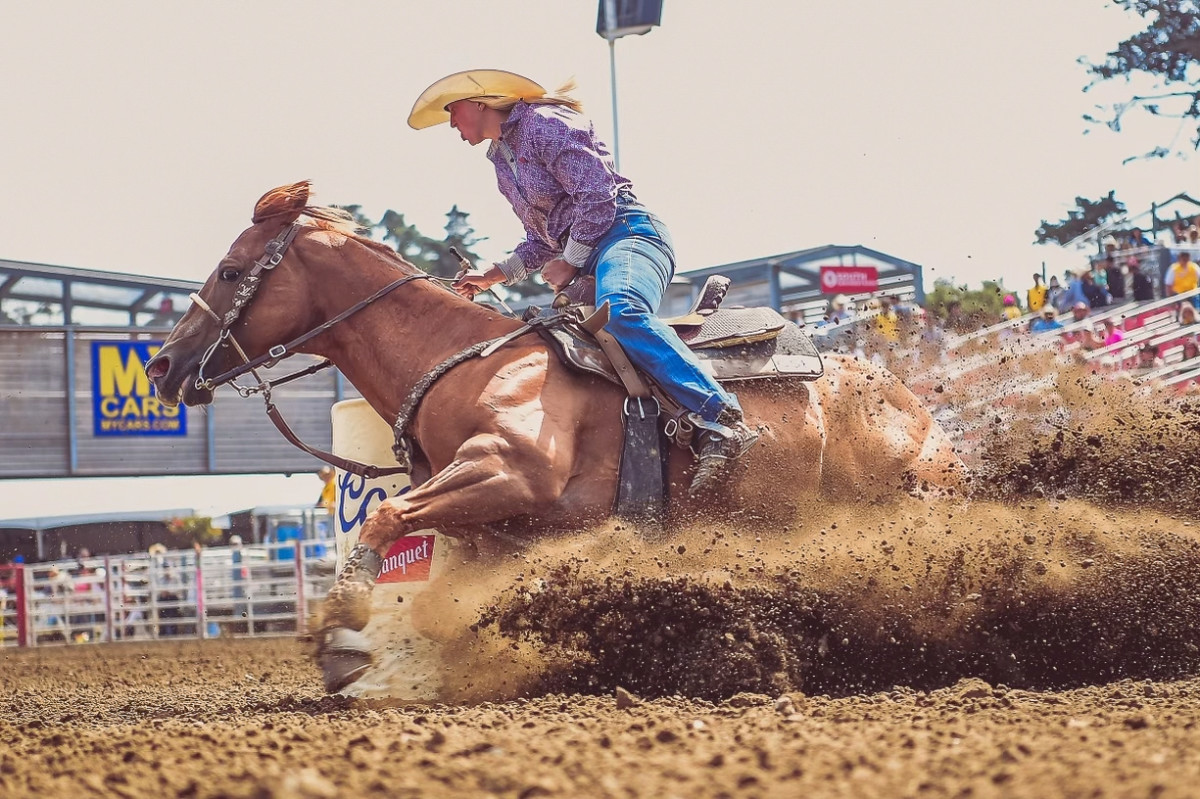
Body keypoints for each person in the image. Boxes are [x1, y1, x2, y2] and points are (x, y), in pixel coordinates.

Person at [409, 69, 757, 492]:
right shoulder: (503, 160)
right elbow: (542, 238)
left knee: (621, 312)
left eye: (453, 110)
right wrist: (494, 275)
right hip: (591, 251)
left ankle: (721, 417)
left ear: (480, 103)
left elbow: (597, 197)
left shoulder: (545, 123)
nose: (451, 123)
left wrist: (571, 261)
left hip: (629, 234)